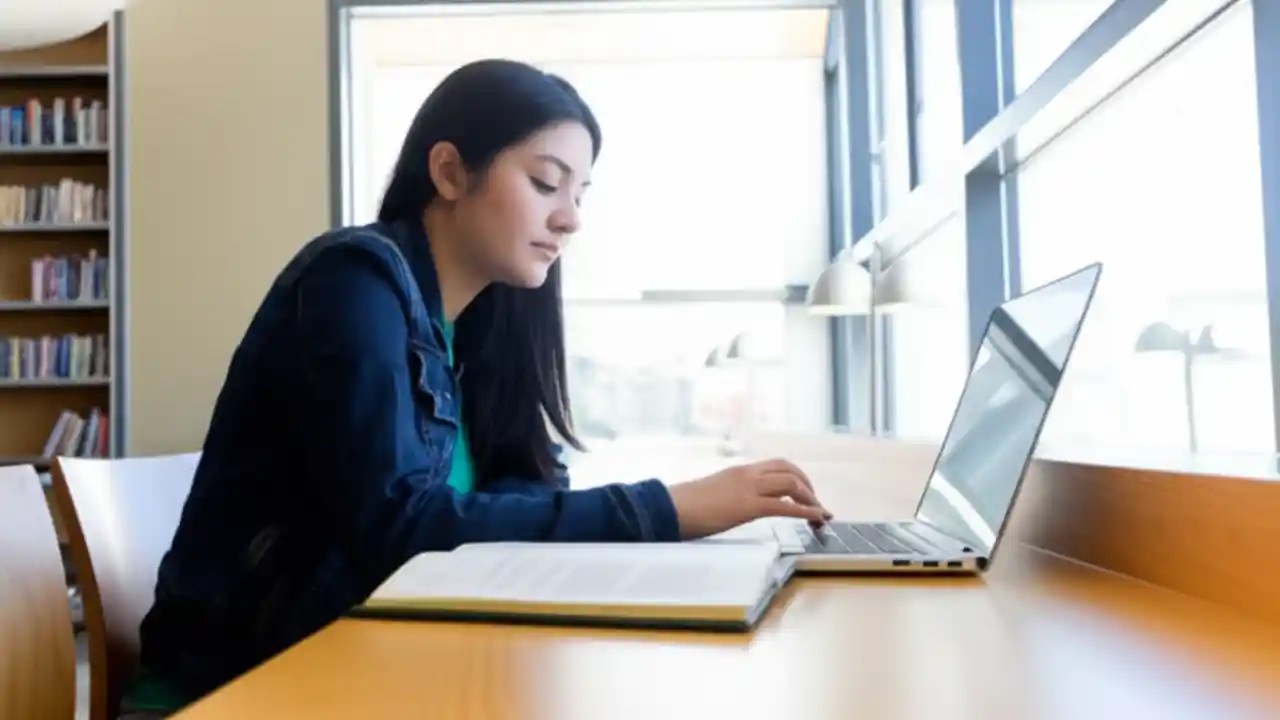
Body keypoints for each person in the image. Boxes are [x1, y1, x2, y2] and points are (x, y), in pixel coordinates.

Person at [117, 58, 830, 718]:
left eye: (580, 194)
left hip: (377, 670)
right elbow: (399, 531)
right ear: (451, 172)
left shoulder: (482, 329)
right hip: (238, 687)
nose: (571, 216)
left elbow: (521, 497)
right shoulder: (353, 284)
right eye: (547, 183)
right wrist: (669, 509)